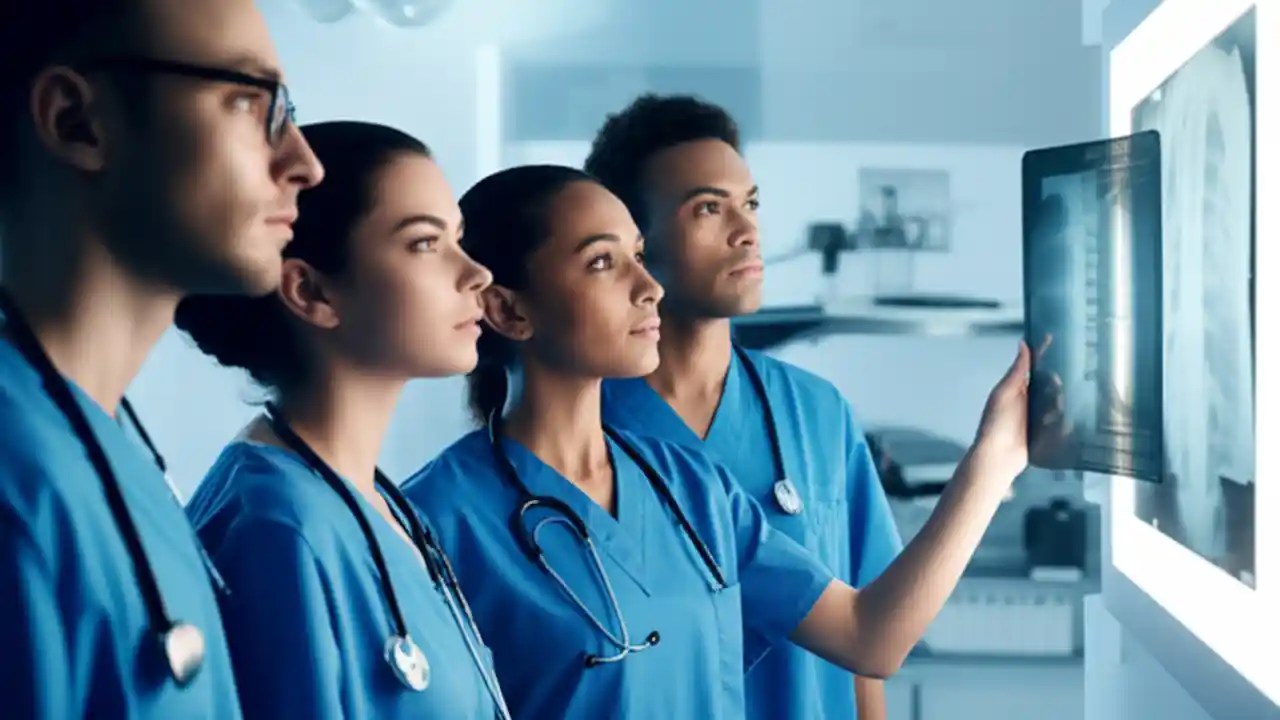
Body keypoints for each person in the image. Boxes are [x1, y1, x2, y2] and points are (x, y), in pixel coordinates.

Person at [401, 164, 1031, 718]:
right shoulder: (435, 523)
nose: (649, 287)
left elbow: (872, 637)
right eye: (602, 262)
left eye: (639, 256)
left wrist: (994, 458)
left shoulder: (691, 487)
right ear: (508, 311)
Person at [0, 2, 323, 717]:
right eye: (252, 102)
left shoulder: (109, 451)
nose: (305, 163)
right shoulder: (18, 483)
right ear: (78, 122)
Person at [173, 121, 509, 720]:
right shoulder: (276, 531)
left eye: (458, 239)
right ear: (311, 292)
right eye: (425, 244)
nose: (477, 274)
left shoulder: (376, 502)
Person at [584, 93, 901, 719]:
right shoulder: (583, 427)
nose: (747, 231)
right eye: (709, 207)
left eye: (750, 204)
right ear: (634, 241)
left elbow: (866, 647)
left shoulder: (817, 415)